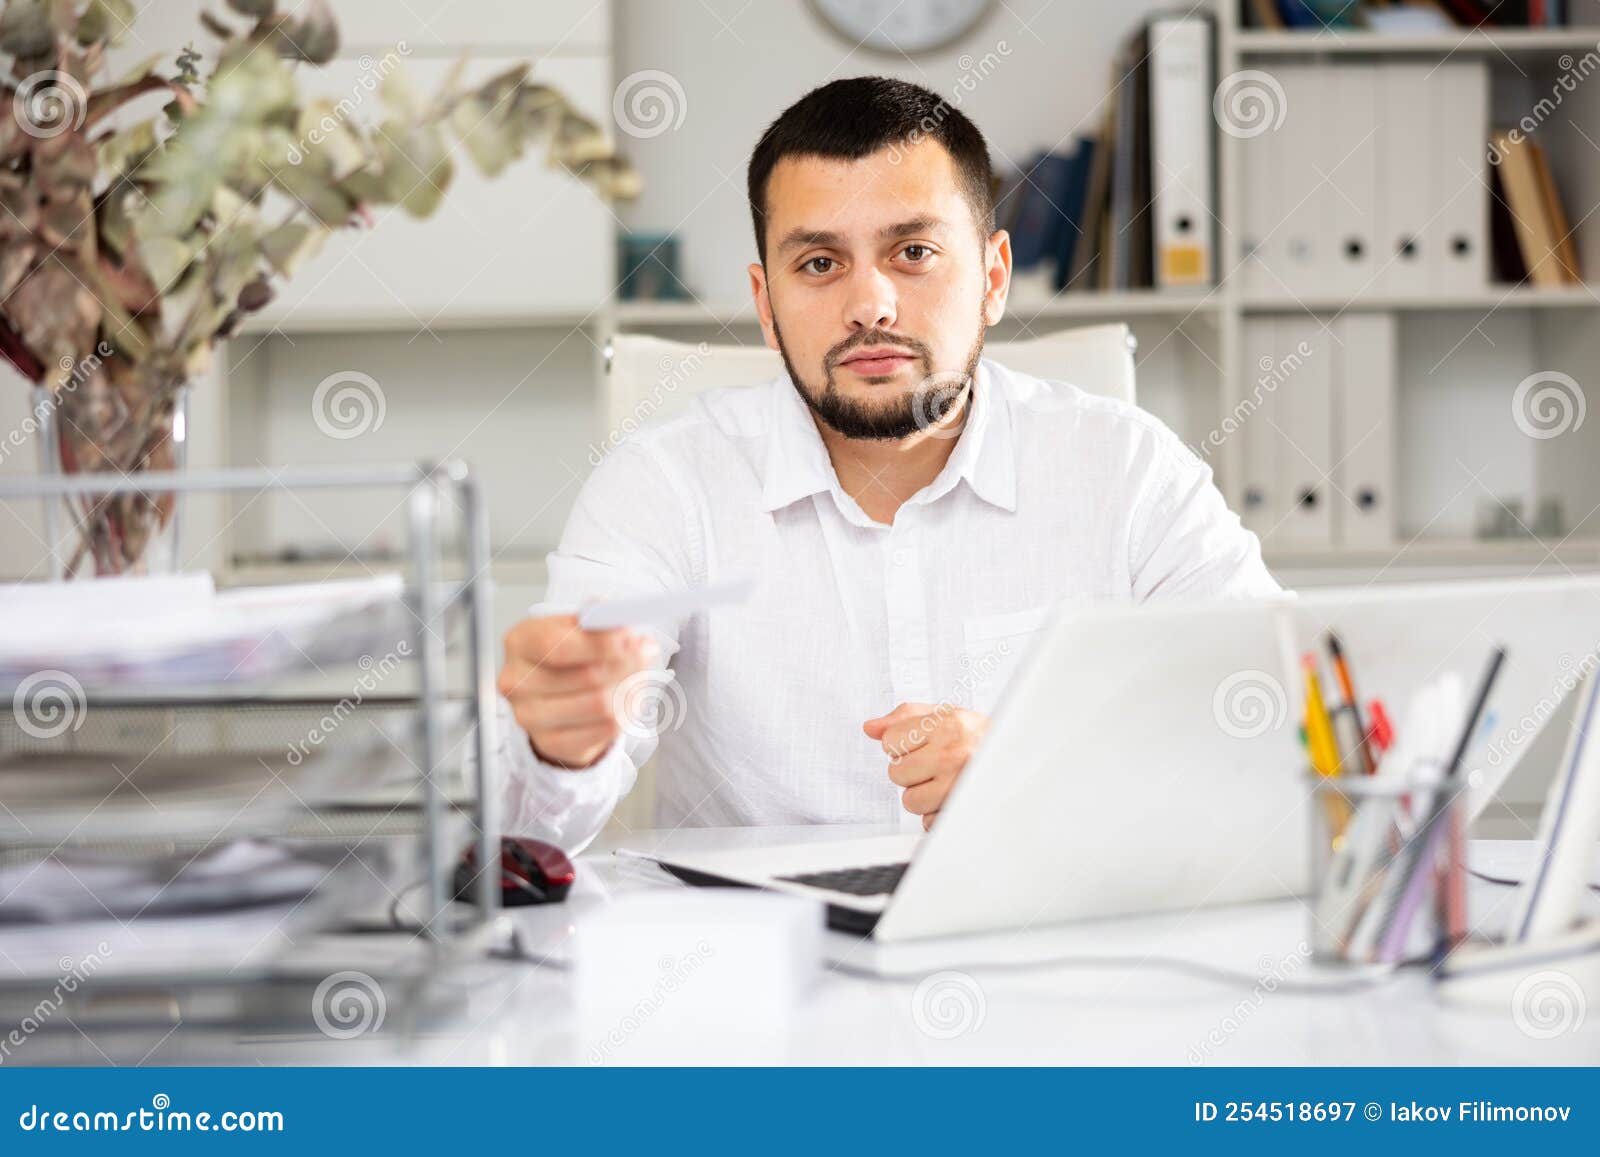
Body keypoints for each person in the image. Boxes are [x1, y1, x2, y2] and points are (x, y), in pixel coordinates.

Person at [492, 76, 1279, 852]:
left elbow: (1277, 732)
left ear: (993, 278)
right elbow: (525, 836)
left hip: (1051, 947)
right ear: (766, 305)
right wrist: (562, 745)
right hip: (760, 962)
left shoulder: (1127, 470)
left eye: (913, 252)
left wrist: (1046, 770)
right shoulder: (662, 486)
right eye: (820, 264)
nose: (870, 305)